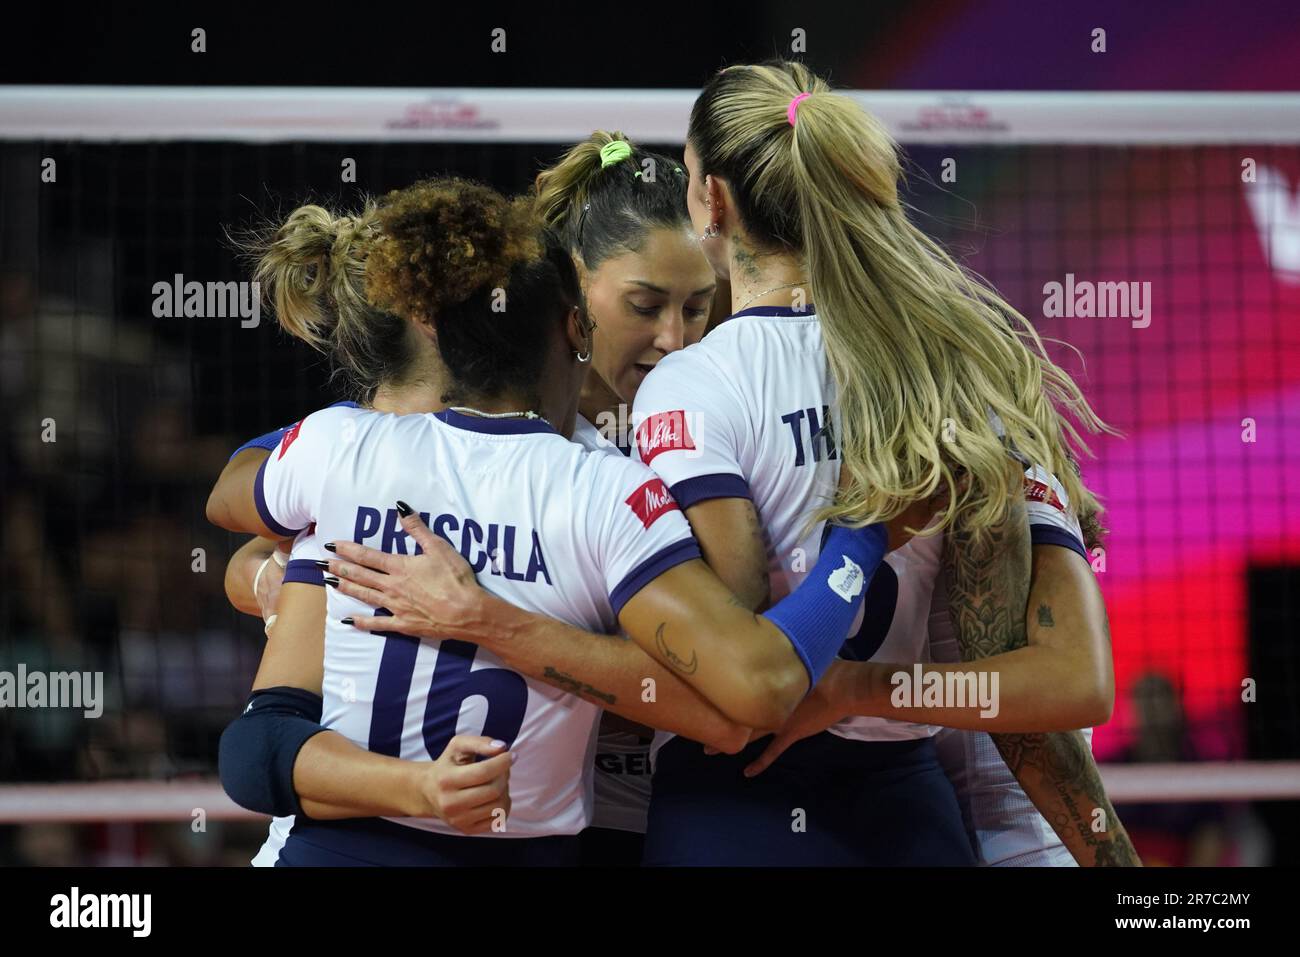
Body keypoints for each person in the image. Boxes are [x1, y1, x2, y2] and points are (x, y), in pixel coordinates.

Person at [215, 177, 903, 865]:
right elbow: (746, 698)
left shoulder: (344, 448)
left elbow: (256, 735)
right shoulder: (611, 490)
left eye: (698, 307)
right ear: (579, 317)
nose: (675, 336)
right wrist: (866, 529)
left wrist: (485, 625)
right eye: (646, 304)